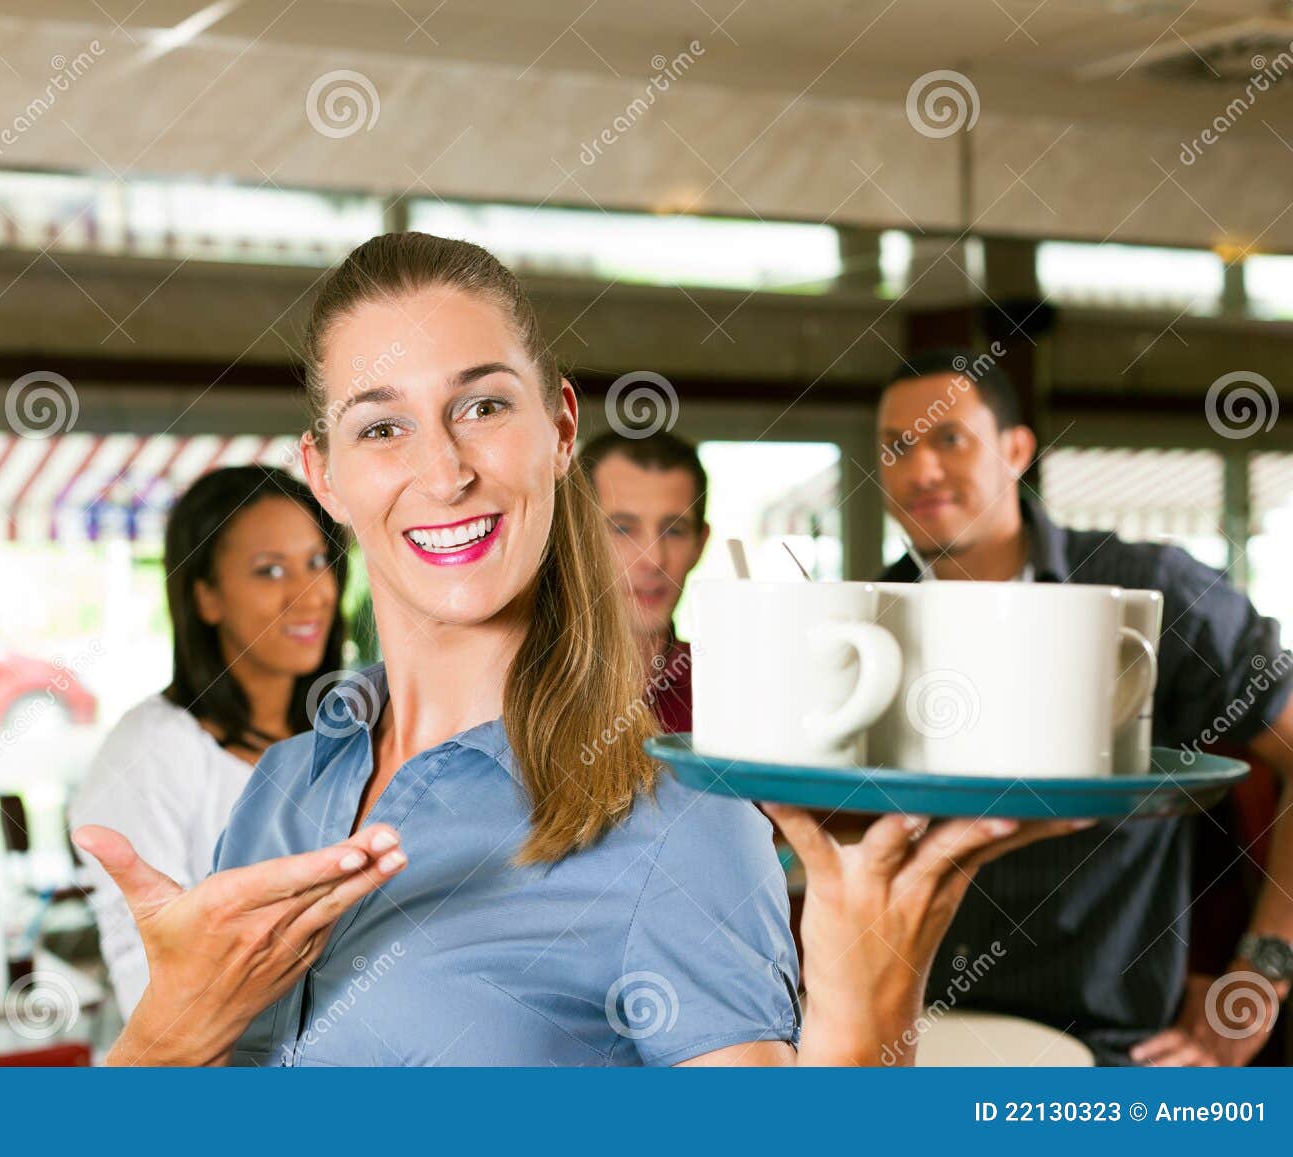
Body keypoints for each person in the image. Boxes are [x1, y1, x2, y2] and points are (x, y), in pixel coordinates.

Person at [79, 234, 1081, 1068]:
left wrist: (865, 1029)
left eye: (481, 405)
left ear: (559, 428)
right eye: (381, 426)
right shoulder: (284, 789)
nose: (443, 469)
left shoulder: (676, 814)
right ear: (326, 476)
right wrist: (165, 1033)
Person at [877, 348, 1293, 1066]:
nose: (921, 470)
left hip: (1110, 1052)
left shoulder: (1152, 591)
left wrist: (1259, 976)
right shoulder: (865, 615)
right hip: (909, 1045)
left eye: (949, 437)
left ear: (1016, 448)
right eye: (896, 446)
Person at [70, 465, 347, 1019]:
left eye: (317, 562)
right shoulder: (154, 749)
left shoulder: (350, 732)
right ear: (206, 598)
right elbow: (149, 982)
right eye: (270, 571)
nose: (308, 594)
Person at [580, 429, 709, 733]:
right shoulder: (521, 684)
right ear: (577, 538)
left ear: (700, 545)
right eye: (623, 529)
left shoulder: (731, 688)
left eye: (674, 531)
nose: (654, 560)